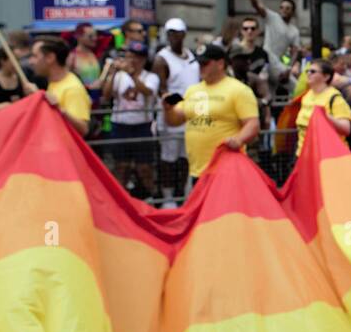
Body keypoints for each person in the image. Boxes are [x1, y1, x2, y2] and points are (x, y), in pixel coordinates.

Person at [161, 43, 260, 191]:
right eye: (198, 64)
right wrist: (168, 110)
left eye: (205, 64)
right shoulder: (192, 90)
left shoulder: (239, 90)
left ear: (220, 64)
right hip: (198, 170)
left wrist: (239, 139)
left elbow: (252, 123)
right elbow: (175, 121)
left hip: (226, 171)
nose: (200, 68)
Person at [153, 18, 200, 207]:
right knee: (169, 158)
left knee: (186, 158)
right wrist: (176, 101)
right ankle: (168, 196)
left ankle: (184, 192)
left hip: (192, 116)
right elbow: (162, 89)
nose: (175, 37)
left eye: (178, 33)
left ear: (184, 34)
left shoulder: (192, 55)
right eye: (171, 33)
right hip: (171, 116)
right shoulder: (161, 58)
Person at [102, 40, 159, 198]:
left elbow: (148, 91)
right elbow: (106, 96)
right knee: (121, 166)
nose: (133, 60)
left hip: (141, 126)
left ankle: (153, 197)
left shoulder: (151, 77)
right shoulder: (119, 76)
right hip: (120, 126)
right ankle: (120, 199)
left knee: (144, 167)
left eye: (138, 57)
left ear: (144, 60)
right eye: (130, 56)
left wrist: (132, 73)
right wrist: (112, 72)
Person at [29, 37, 91, 137]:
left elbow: (83, 129)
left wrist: (59, 109)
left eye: (35, 56)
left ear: (50, 58)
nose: (31, 61)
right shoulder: (55, 82)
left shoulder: (72, 88)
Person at [246, 0, 302, 83]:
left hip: (277, 63)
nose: (283, 10)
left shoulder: (294, 31)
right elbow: (256, 4)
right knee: (295, 86)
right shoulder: (273, 17)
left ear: (293, 12)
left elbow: (295, 51)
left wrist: (289, 68)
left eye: (287, 8)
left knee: (272, 92)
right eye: (281, 7)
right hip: (267, 58)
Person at [295, 59, 351, 156]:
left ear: (326, 77)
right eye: (307, 71)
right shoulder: (306, 96)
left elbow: (346, 129)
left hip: (327, 156)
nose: (308, 74)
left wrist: (325, 116)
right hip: (304, 156)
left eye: (313, 71)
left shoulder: (334, 98)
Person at [67, 23, 104, 88]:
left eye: (96, 35)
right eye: (90, 36)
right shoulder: (72, 57)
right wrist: (87, 87)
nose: (95, 38)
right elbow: (66, 81)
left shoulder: (97, 54)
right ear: (78, 36)